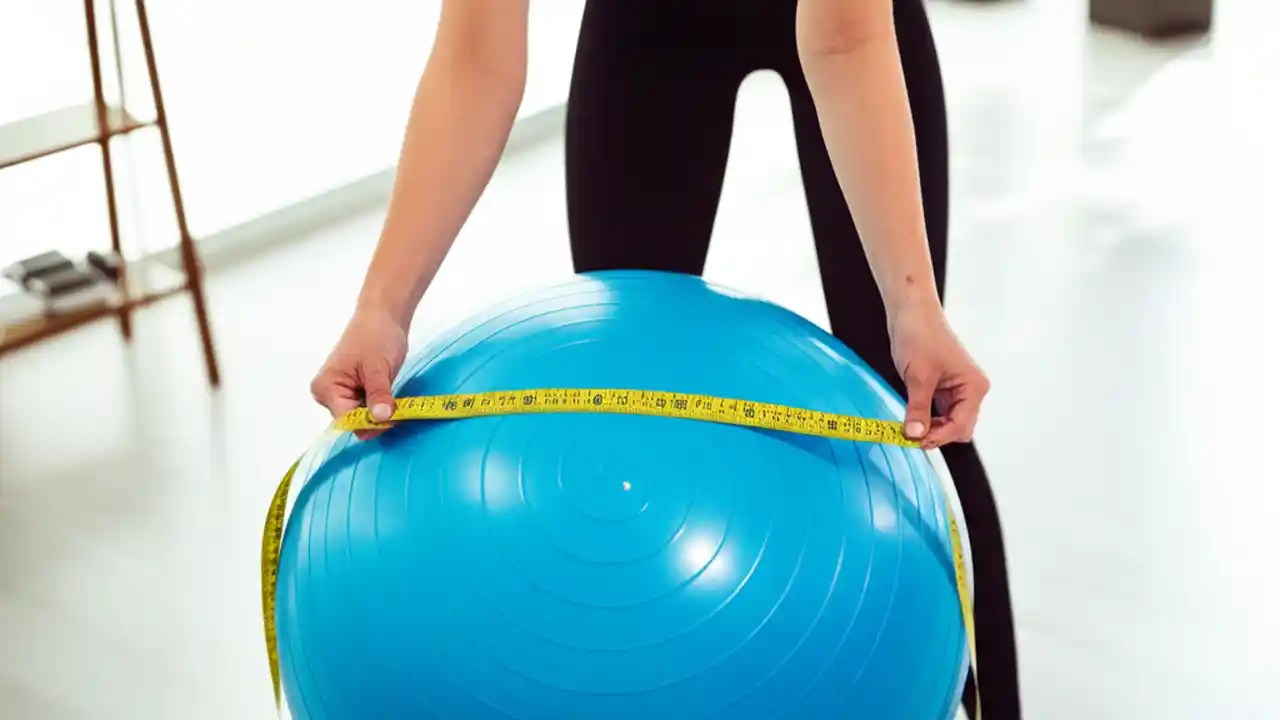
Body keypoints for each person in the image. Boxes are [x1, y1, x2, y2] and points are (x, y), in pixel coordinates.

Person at [310, 1, 1021, 717]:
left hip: (852, 24)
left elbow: (843, 40)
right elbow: (477, 62)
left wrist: (915, 311)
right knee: (624, 418)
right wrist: (383, 308)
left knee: (919, 409)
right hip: (649, 22)